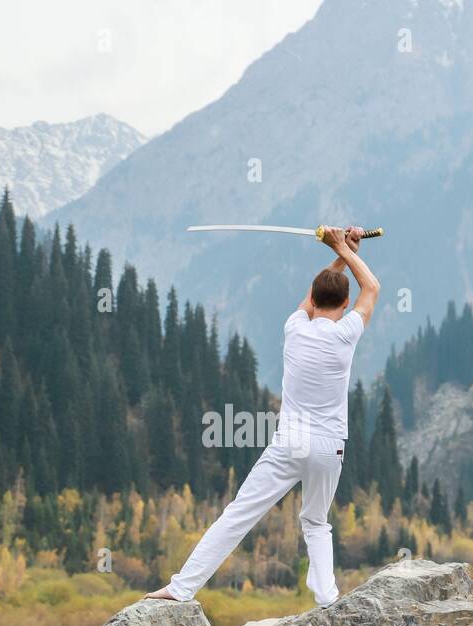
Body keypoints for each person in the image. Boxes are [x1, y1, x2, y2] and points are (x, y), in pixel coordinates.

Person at [146, 225, 380, 606]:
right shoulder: (346, 335)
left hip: (290, 442)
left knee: (239, 513)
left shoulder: (294, 328)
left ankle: (181, 588)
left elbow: (314, 294)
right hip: (328, 445)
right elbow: (372, 288)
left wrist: (338, 252)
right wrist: (348, 251)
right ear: (343, 304)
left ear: (315, 300)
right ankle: (326, 599)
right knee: (316, 522)